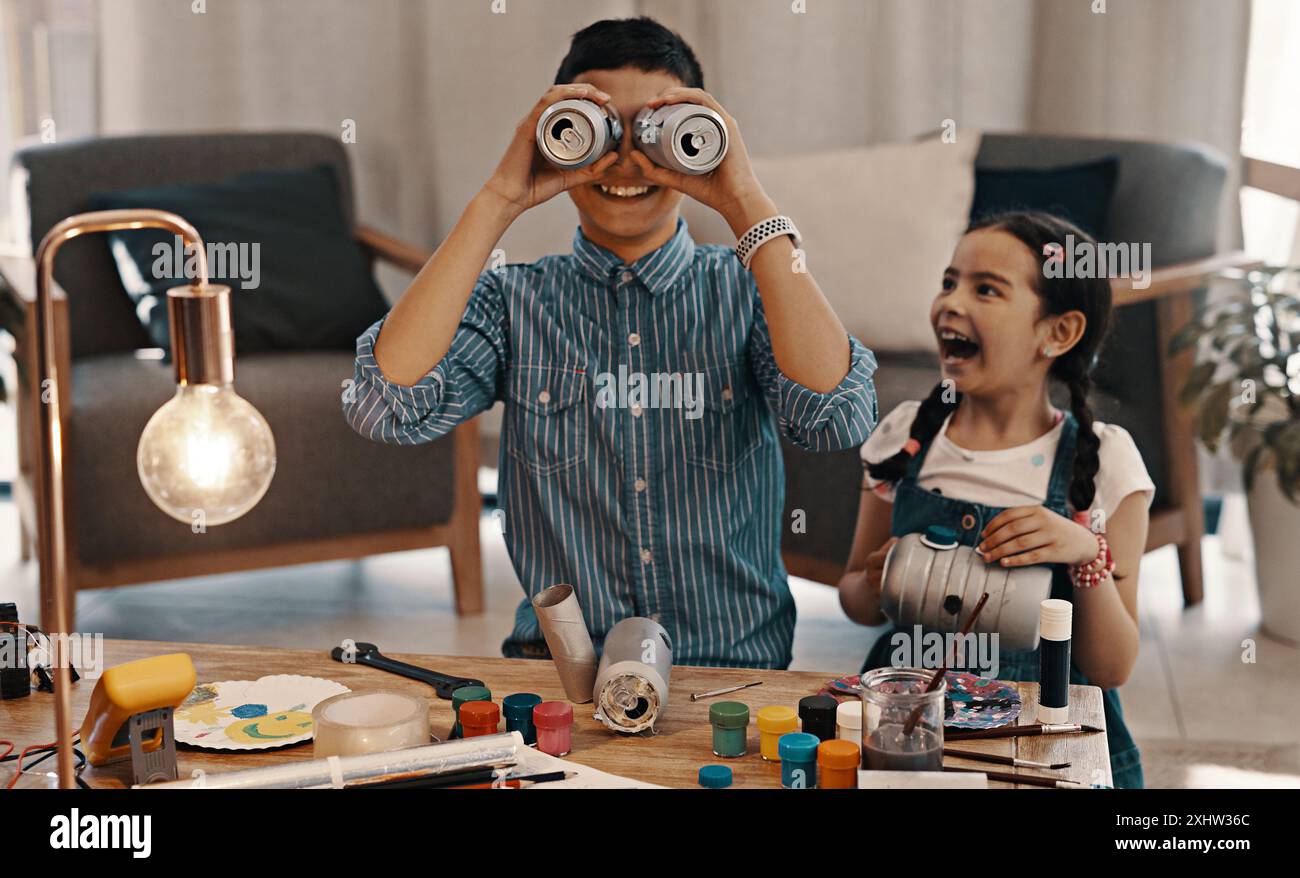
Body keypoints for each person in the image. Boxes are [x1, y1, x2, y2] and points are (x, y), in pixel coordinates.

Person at [344, 17, 877, 668]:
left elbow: (837, 415)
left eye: (658, 133)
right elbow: (384, 405)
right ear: (555, 134)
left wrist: (743, 199)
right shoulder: (516, 303)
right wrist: (500, 197)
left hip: (731, 671)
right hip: (560, 672)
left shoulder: (749, 290)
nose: (626, 160)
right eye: (596, 129)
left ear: (701, 139)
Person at [838, 211, 1153, 787]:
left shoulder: (1106, 459)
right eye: (949, 281)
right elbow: (858, 602)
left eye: (986, 289)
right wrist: (879, 578)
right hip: (909, 724)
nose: (950, 303)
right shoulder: (904, 438)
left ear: (1057, 333)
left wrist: (1086, 552)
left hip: (1045, 735)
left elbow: (1112, 666)